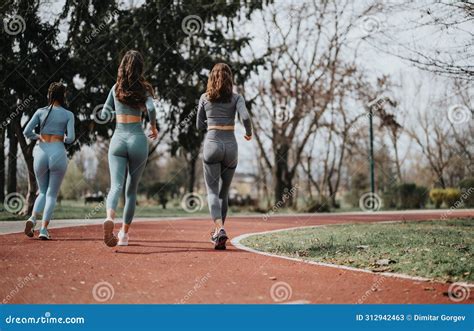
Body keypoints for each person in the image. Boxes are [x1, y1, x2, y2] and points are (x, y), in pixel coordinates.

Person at [102, 50, 158, 247]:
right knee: (131, 191)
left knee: (115, 185)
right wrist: (152, 126)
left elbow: (104, 112)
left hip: (118, 139)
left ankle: (110, 217)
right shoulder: (144, 89)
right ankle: (123, 235)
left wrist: (116, 110)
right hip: (137, 140)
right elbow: (151, 109)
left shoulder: (115, 88)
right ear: (140, 68)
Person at [196, 63, 252, 250]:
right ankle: (219, 231)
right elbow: (245, 117)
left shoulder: (204, 97)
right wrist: (249, 132)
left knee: (212, 191)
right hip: (230, 147)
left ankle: (219, 230)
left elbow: (198, 124)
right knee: (223, 193)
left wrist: (210, 121)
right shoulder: (237, 98)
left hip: (212, 144)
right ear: (230, 79)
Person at [23, 82, 75, 240]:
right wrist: (62, 138)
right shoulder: (68, 115)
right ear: (63, 96)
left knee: (43, 191)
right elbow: (71, 138)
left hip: (41, 152)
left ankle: (32, 218)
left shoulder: (40, 112)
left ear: (49, 95)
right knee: (51, 194)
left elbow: (26, 131)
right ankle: (44, 230)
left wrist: (39, 136)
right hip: (58, 152)